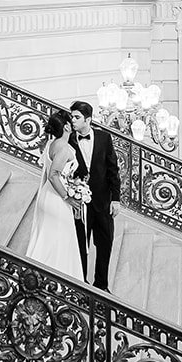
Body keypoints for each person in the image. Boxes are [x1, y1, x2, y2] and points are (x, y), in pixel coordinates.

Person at [69, 100, 120, 293]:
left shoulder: (104, 138)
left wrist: (116, 199)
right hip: (79, 203)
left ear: (88, 119)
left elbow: (113, 170)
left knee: (105, 243)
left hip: (103, 202)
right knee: (81, 244)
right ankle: (82, 284)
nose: (72, 120)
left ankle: (102, 285)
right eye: (72, 116)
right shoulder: (68, 140)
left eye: (77, 117)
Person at [26, 110, 85, 279]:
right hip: (56, 199)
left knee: (47, 237)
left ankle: (37, 277)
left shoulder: (52, 144)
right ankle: (54, 280)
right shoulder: (64, 149)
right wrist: (67, 196)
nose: (73, 122)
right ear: (66, 127)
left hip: (49, 194)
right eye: (71, 120)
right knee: (59, 240)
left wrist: (77, 186)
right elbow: (53, 174)